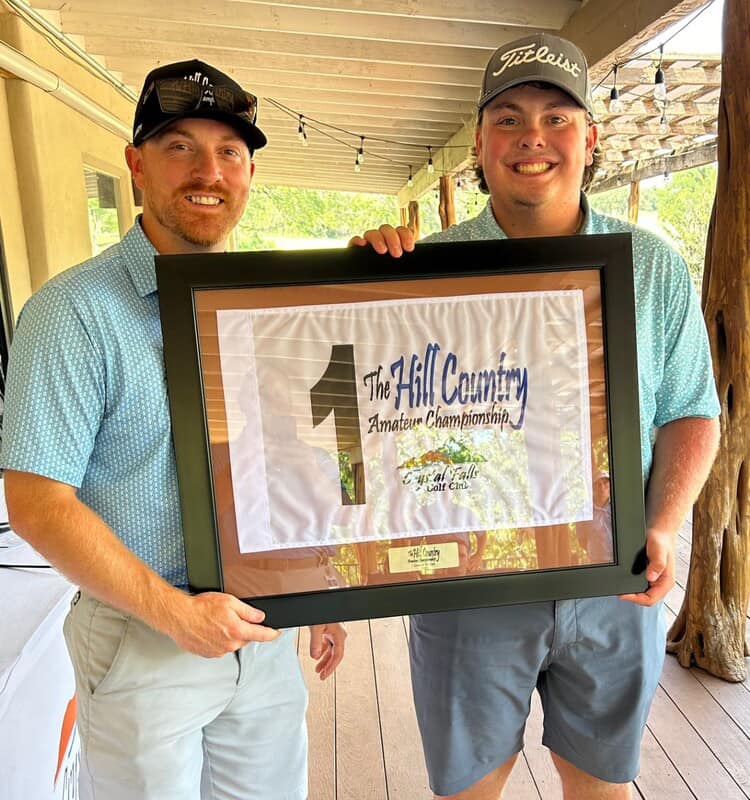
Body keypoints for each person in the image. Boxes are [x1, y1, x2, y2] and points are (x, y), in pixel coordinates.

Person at [351, 32, 720, 800]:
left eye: (557, 119)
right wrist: (350, 288)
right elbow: (354, 410)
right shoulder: (419, 272)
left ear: (589, 141)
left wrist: (660, 523)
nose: (533, 139)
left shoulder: (651, 268)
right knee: (469, 788)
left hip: (612, 577)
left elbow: (690, 412)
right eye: (510, 119)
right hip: (467, 584)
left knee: (602, 785)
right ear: (481, 146)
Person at [1, 59, 346, 800]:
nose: (207, 171)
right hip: (142, 638)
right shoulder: (73, 314)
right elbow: (37, 503)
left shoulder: (263, 305)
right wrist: (176, 615)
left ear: (249, 173)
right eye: (178, 146)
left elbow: (287, 458)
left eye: (229, 152)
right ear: (135, 165)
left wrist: (323, 591)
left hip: (264, 634)